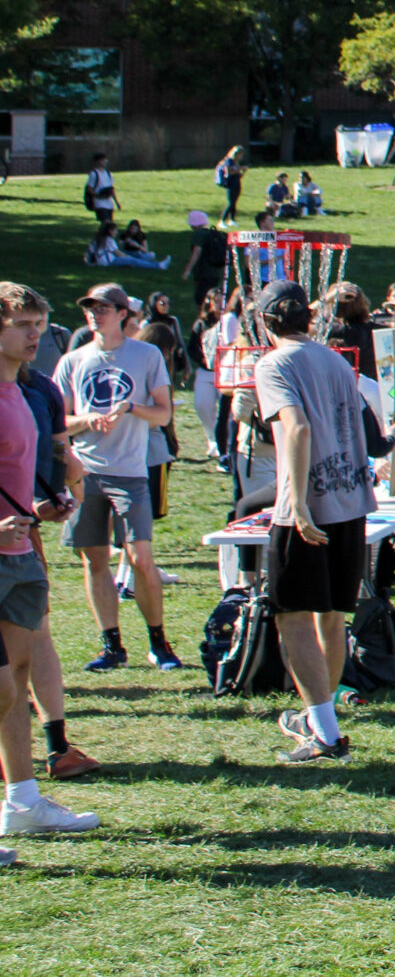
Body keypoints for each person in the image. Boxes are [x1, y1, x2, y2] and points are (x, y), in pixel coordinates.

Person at [254, 280, 380, 763]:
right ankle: (319, 718)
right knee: (332, 616)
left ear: (266, 323)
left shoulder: (273, 364)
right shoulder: (332, 359)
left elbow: (298, 427)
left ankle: (326, 734)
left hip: (308, 507)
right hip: (351, 499)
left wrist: (298, 504)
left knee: (292, 617)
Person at [0, 284, 100, 847]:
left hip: (22, 551)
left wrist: (47, 502)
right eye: (24, 324)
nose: (36, 335)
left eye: (41, 323)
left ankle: (22, 801)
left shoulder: (29, 390)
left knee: (16, 681)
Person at [56, 285, 180, 672]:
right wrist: (86, 421)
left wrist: (130, 407)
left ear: (124, 313)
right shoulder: (73, 361)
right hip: (86, 472)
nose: (95, 314)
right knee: (93, 559)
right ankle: (112, 645)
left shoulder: (146, 355)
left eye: (104, 308)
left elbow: (163, 414)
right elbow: (59, 421)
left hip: (130, 473)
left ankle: (158, 642)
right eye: (90, 308)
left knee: (141, 558)